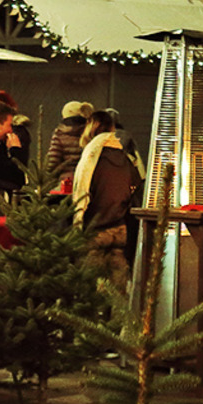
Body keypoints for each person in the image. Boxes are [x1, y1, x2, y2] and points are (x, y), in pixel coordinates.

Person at [72, 109, 141, 283]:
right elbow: (135, 185)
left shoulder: (91, 156)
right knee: (118, 290)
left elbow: (82, 192)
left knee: (90, 288)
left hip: (95, 229)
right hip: (119, 228)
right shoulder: (125, 157)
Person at [47, 101, 92, 181]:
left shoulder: (60, 134)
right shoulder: (89, 133)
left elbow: (53, 161)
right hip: (86, 179)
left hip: (66, 180)